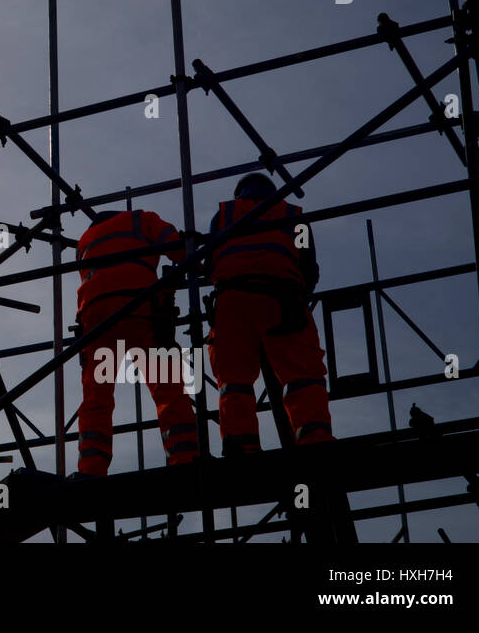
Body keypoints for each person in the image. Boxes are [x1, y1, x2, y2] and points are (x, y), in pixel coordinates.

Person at [205, 172, 333, 455]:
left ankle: (240, 445)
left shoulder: (224, 214)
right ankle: (315, 438)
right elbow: (307, 264)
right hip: (282, 295)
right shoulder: (293, 215)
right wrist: (300, 296)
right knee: (302, 374)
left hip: (233, 300)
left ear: (240, 192)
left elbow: (210, 261)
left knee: (234, 380)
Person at [74, 208, 198, 477]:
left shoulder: (84, 239)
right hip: (141, 307)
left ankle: (91, 469)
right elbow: (179, 249)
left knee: (96, 397)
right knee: (167, 387)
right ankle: (184, 456)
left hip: (96, 319)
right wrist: (195, 251)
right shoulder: (143, 219)